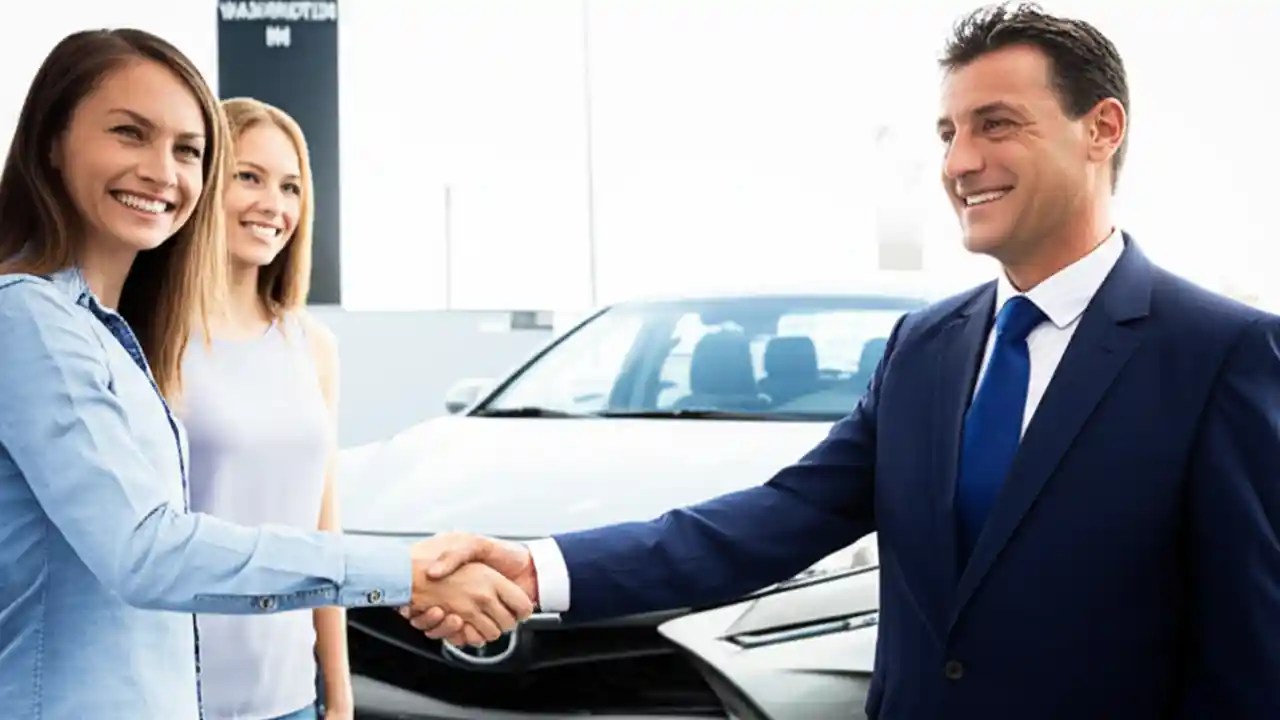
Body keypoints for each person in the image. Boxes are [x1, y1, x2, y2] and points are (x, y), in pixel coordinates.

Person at [406, 4, 1280, 718]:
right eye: (947, 132)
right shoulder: (926, 347)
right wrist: (538, 568)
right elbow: (773, 520)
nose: (959, 162)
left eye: (996, 125)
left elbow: (1251, 651)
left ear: (1103, 129)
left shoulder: (1220, 353)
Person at [0, 29, 531, 720]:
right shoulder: (29, 318)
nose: (163, 172)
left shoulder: (113, 336)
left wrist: (333, 689)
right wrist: (406, 574)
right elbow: (148, 552)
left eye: (188, 150)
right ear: (51, 142)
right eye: (129, 133)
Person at [176, 97, 349, 720]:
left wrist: (339, 693)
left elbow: (322, 531)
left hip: (290, 698)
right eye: (248, 177)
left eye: (290, 186)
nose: (272, 205)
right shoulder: (151, 337)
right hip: (173, 695)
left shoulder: (312, 347)